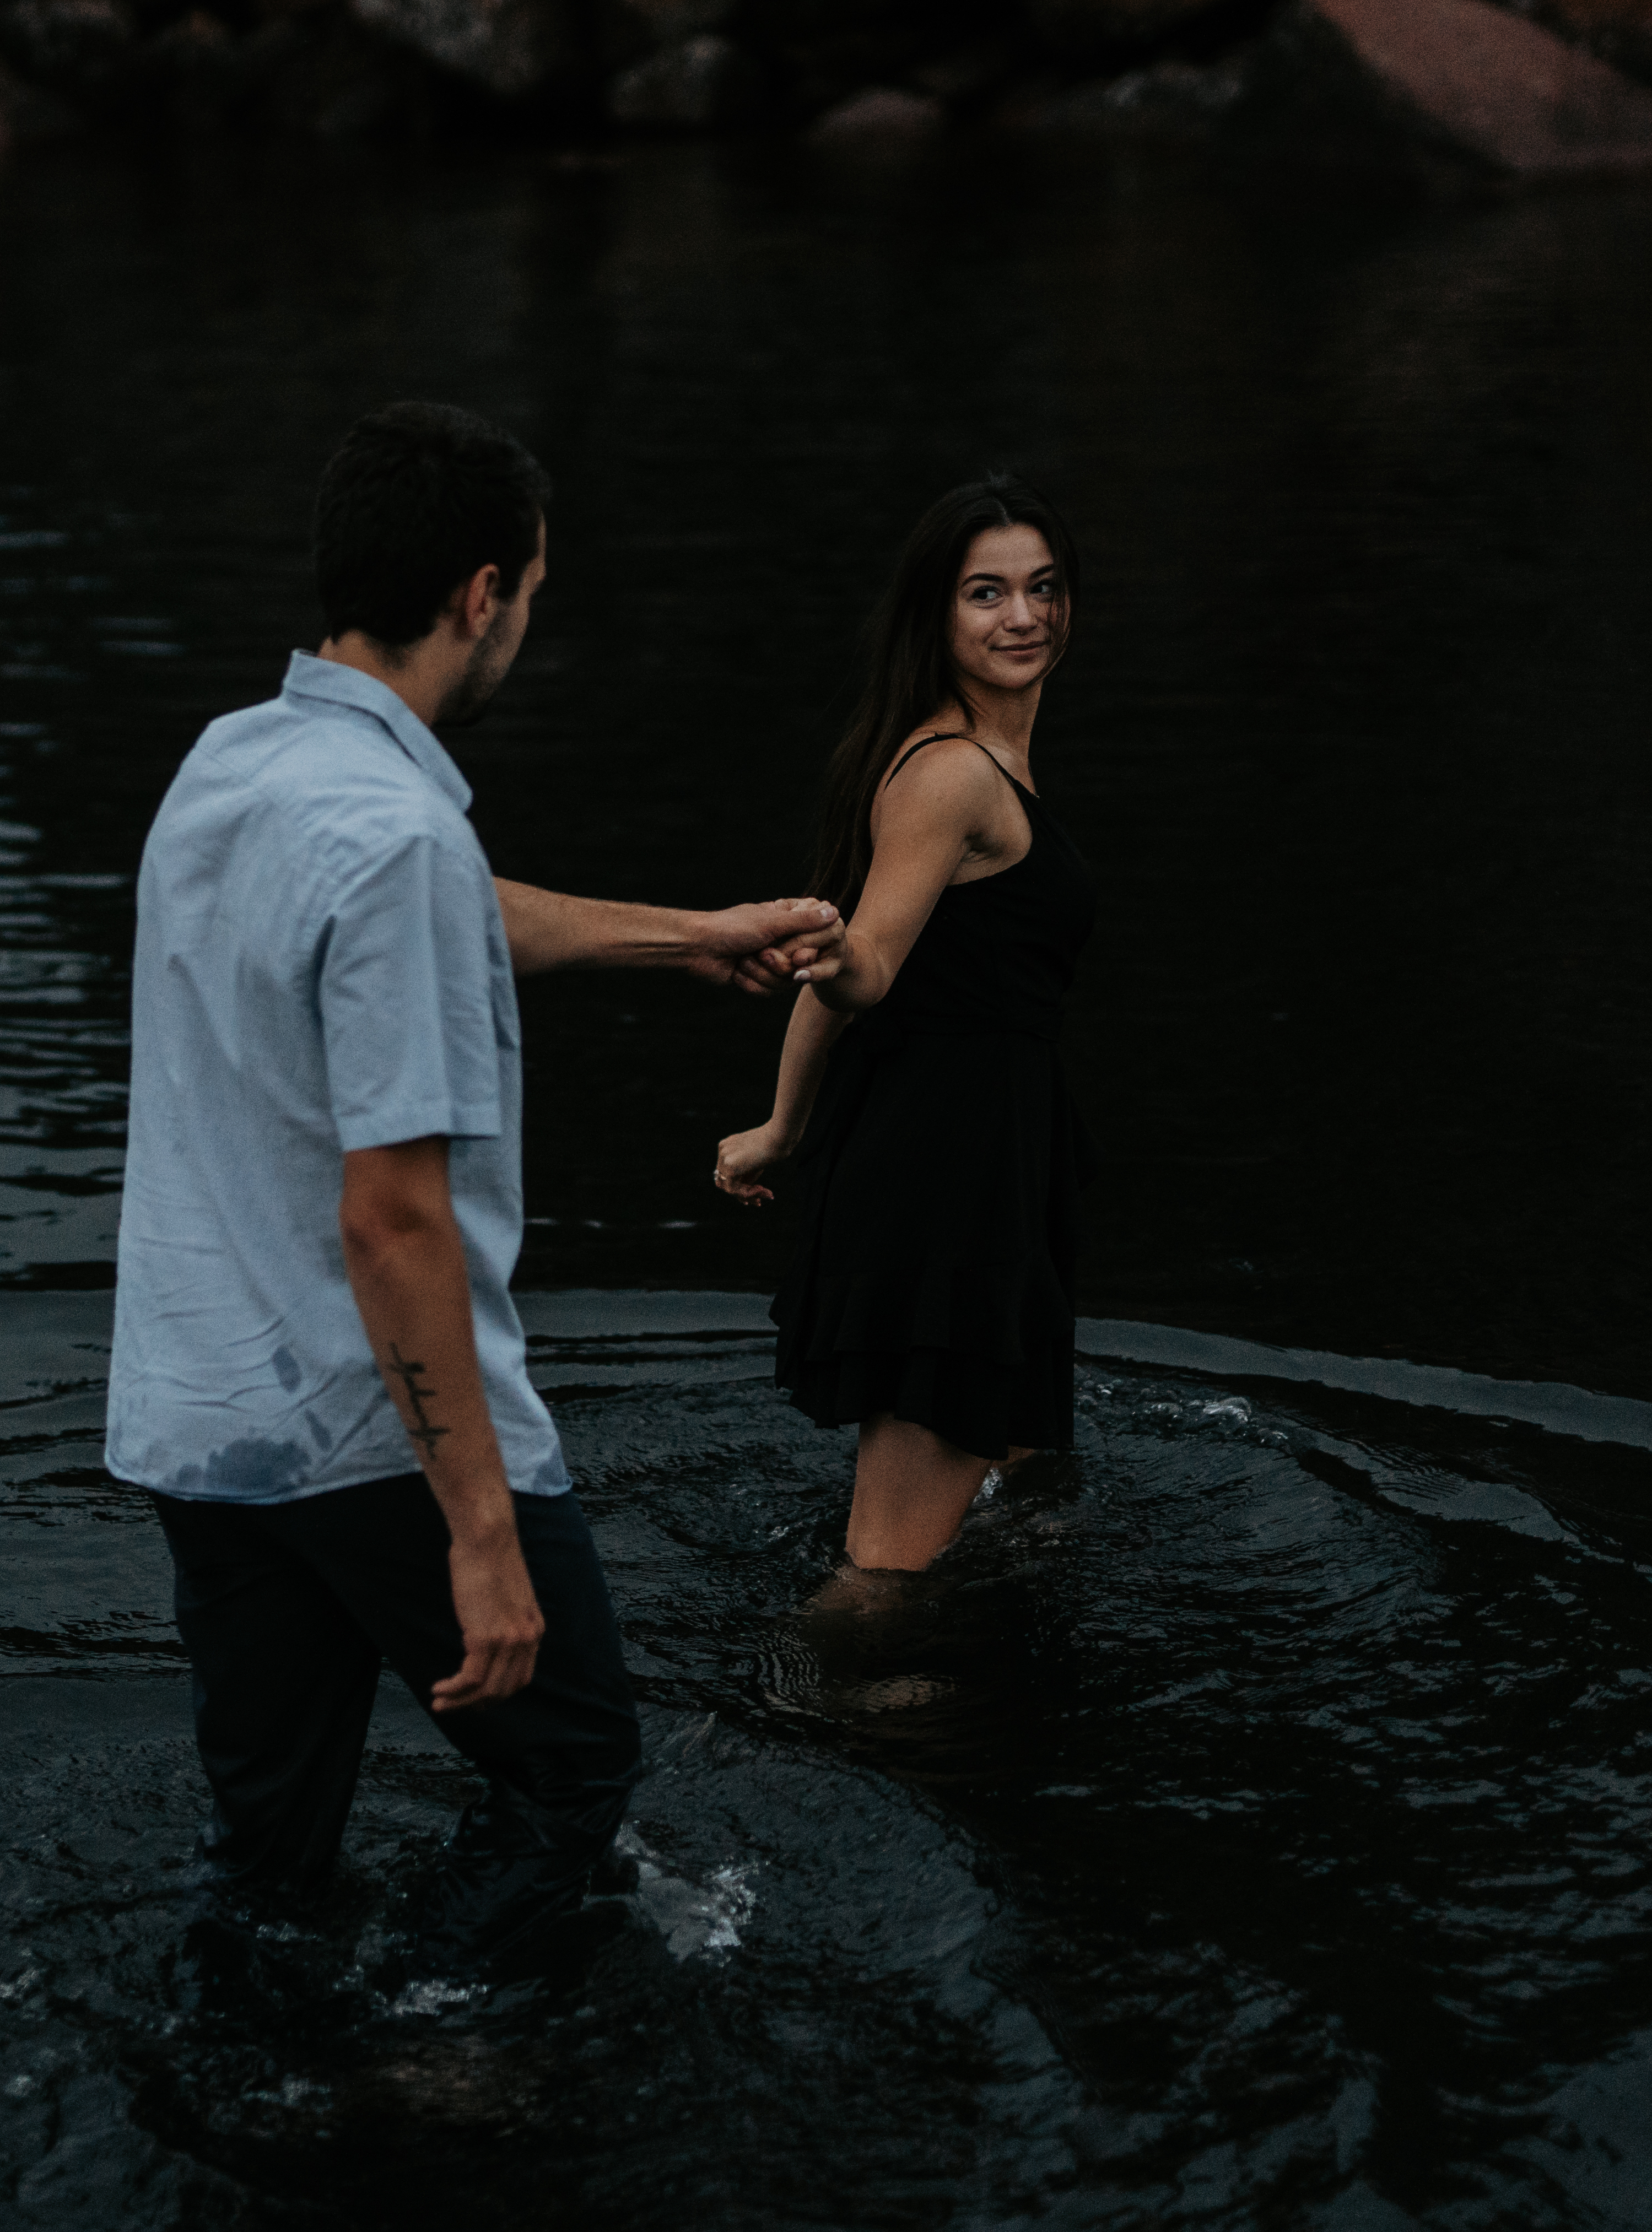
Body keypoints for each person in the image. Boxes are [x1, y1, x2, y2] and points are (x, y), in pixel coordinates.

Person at [111, 401, 843, 1977]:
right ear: (485, 594)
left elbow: (442, 909)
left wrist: (689, 935)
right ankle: (423, 2061)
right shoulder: (396, 840)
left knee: (267, 1855)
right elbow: (392, 1217)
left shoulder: (239, 766)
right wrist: (482, 1532)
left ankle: (253, 2086)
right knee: (573, 1779)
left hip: (206, 1424)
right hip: (369, 1432)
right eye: (535, 595)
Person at [712, 477, 1093, 1578]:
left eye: (1044, 587)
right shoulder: (951, 775)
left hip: (992, 1159)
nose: (1024, 616)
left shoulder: (980, 759)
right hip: (950, 1181)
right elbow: (867, 965)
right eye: (987, 593)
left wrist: (783, 1128)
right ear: (938, 613)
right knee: (889, 1570)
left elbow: (861, 960)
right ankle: (788, 1724)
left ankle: (939, 1709)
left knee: (1026, 1488)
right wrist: (835, 960)